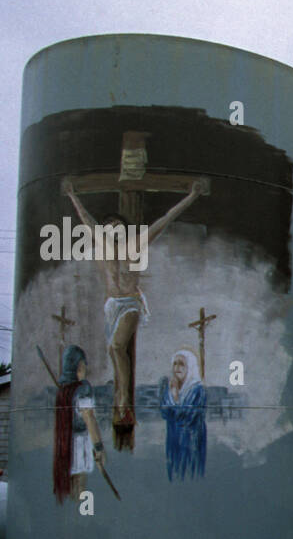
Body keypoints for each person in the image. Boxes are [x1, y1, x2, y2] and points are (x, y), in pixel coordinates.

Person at [62, 178, 207, 448]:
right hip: (111, 307)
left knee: (116, 348)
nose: (112, 229)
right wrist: (72, 195)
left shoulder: (136, 244)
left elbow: (166, 218)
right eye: (108, 227)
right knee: (115, 353)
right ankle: (121, 403)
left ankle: (123, 403)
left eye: (117, 226)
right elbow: (85, 218)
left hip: (130, 303)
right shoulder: (102, 248)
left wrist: (192, 196)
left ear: (125, 230)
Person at [52, 345, 106, 504]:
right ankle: (82, 516)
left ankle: (76, 515)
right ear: (76, 366)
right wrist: (98, 447)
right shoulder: (83, 389)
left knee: (71, 479)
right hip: (79, 443)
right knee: (80, 483)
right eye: (83, 364)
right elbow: (89, 417)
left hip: (64, 443)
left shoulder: (63, 390)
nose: (85, 367)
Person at [159, 349, 207, 481]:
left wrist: (175, 400)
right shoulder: (171, 388)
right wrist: (173, 398)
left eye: (181, 364)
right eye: (175, 364)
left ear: (190, 367)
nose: (177, 368)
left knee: (191, 474)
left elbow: (187, 418)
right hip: (173, 439)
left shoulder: (197, 390)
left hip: (191, 441)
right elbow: (164, 413)